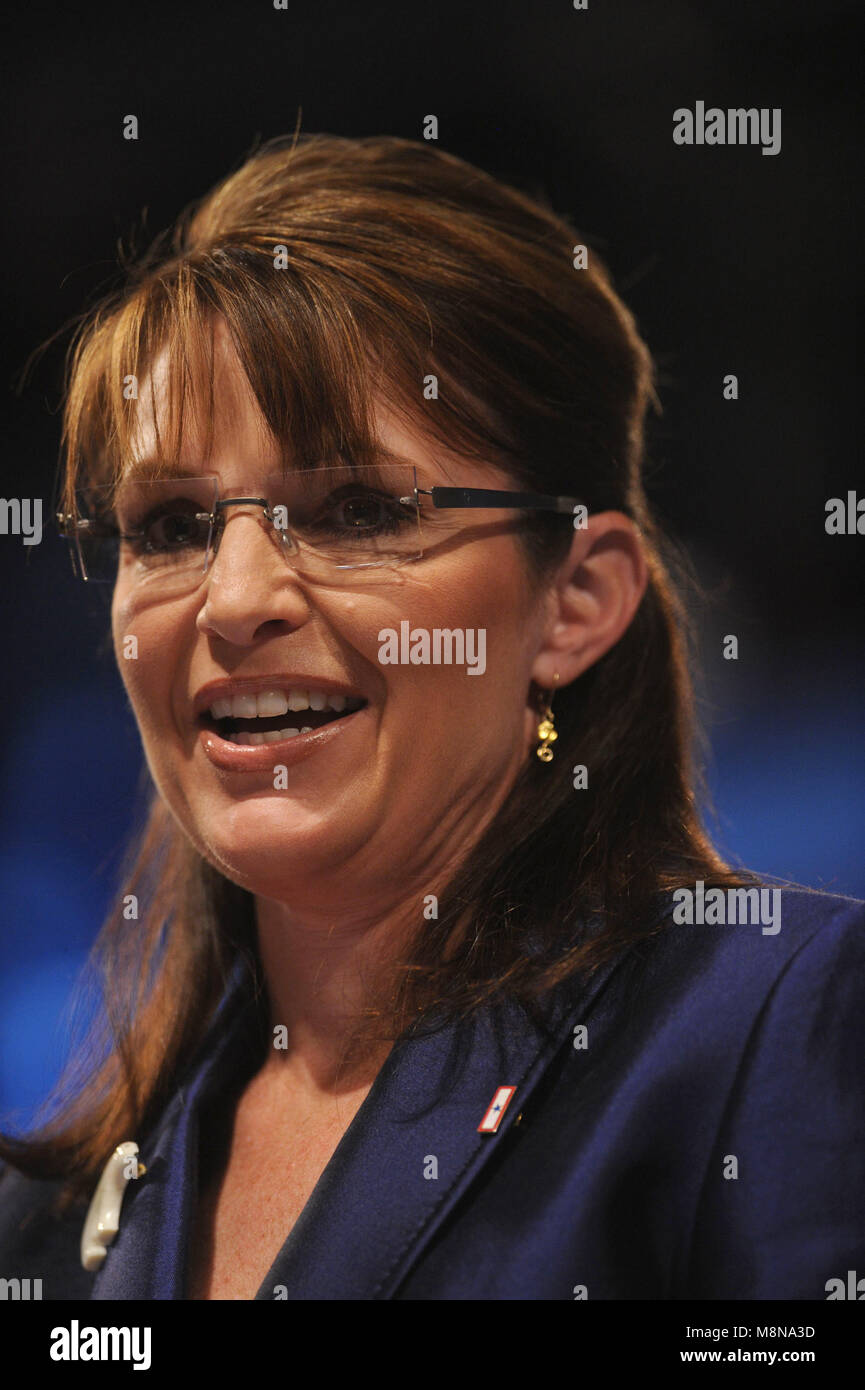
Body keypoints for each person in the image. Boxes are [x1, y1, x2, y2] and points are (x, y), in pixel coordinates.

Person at [1, 133, 862, 1301]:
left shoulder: (785, 1023)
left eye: (356, 507)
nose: (237, 597)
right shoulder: (46, 1221)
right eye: (168, 527)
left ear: (575, 600)